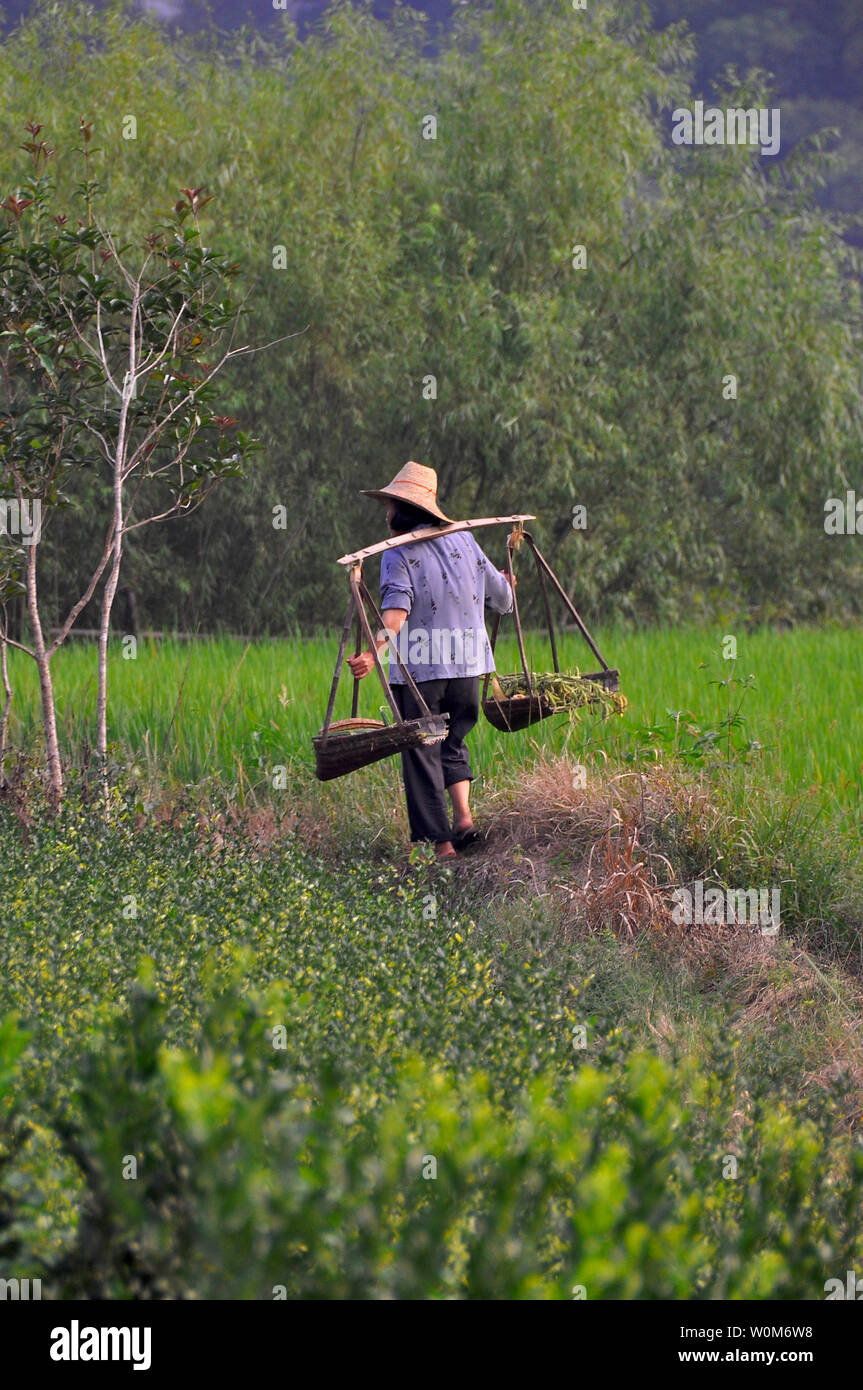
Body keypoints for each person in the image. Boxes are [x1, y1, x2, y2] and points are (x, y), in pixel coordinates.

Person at [348, 461, 514, 860]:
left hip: (421, 672)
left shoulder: (397, 552)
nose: (386, 514)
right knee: (452, 740)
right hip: (469, 669)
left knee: (422, 752)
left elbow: (396, 614)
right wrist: (510, 583)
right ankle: (464, 821)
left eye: (389, 506)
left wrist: (373, 654)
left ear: (403, 510)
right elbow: (504, 601)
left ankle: (443, 848)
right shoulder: (466, 542)